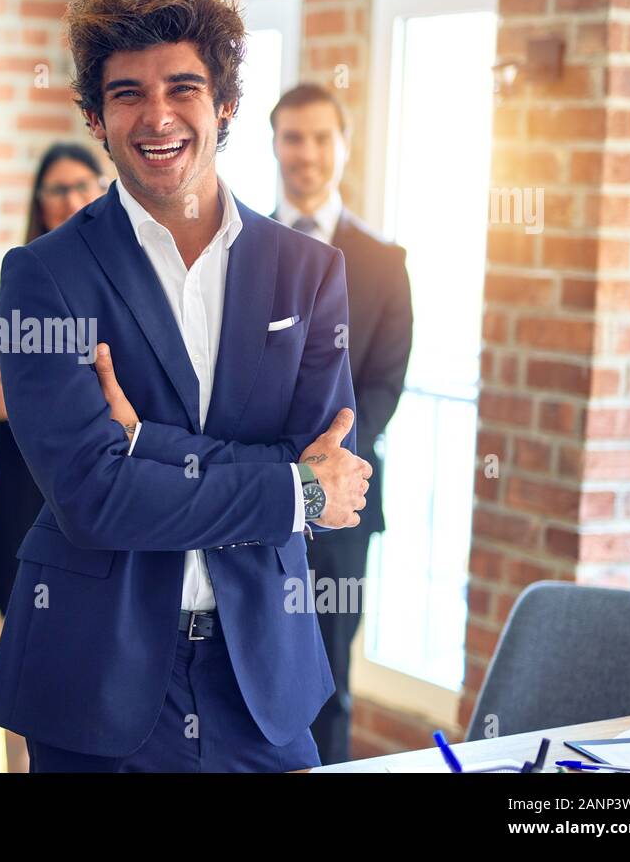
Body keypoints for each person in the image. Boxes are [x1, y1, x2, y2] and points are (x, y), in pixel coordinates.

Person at [0, 0, 372, 773]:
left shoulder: (310, 272)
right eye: (127, 93)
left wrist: (146, 447)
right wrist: (289, 491)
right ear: (95, 116)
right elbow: (92, 498)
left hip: (260, 676)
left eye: (182, 88)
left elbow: (326, 466)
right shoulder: (44, 276)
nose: (157, 117)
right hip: (95, 679)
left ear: (225, 104)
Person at [269, 83, 413, 765]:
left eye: (322, 137)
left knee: (327, 675)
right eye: (294, 137)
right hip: (250, 491)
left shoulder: (386, 263)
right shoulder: (245, 247)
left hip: (345, 501)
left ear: (345, 145)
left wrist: (325, 464)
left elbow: (384, 382)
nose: (308, 153)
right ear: (274, 144)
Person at [0, 142, 103, 773]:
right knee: (28, 670)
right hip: (28, 498)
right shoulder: (20, 279)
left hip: (102, 494)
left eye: (81, 184)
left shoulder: (122, 279)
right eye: (55, 188)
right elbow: (15, 404)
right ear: (38, 201)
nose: (70, 198)